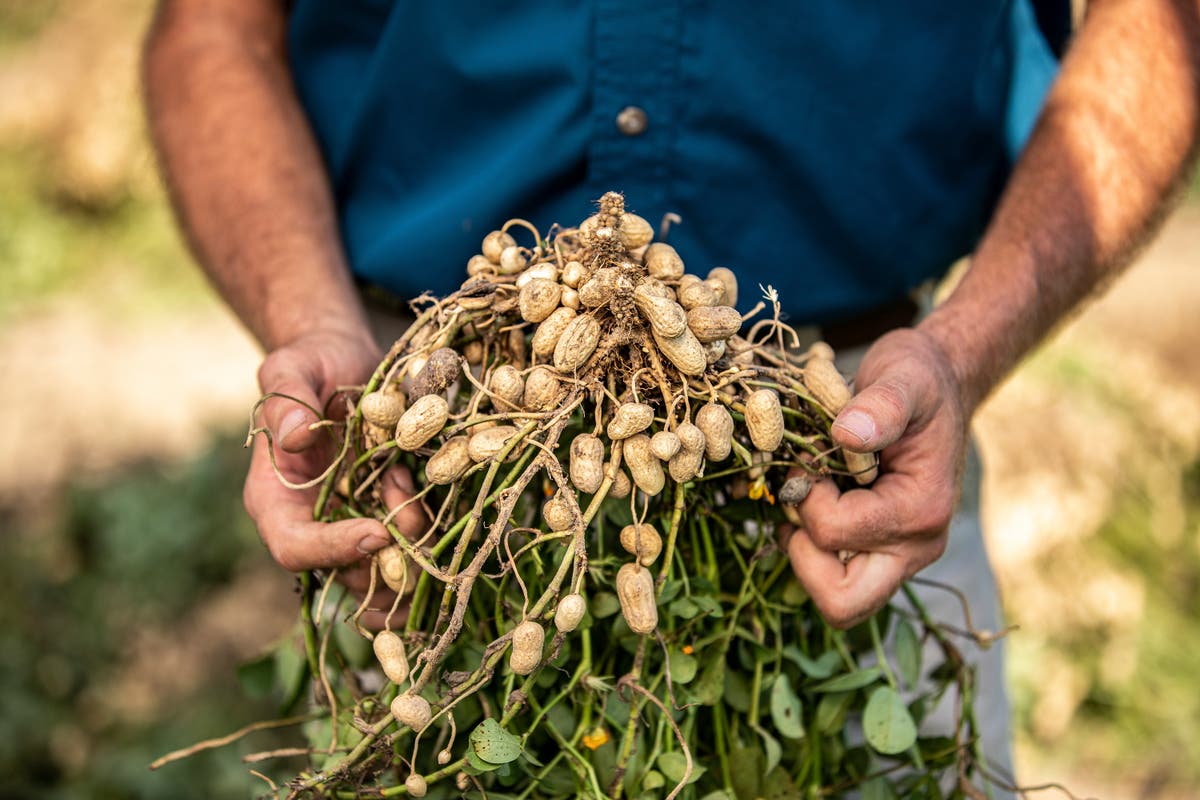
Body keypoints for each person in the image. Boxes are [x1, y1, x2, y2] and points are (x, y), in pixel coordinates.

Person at [142, 0, 1200, 790]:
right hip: (428, 473)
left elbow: (1151, 26)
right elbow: (212, 31)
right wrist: (312, 322)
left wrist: (963, 352)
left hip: (856, 446)